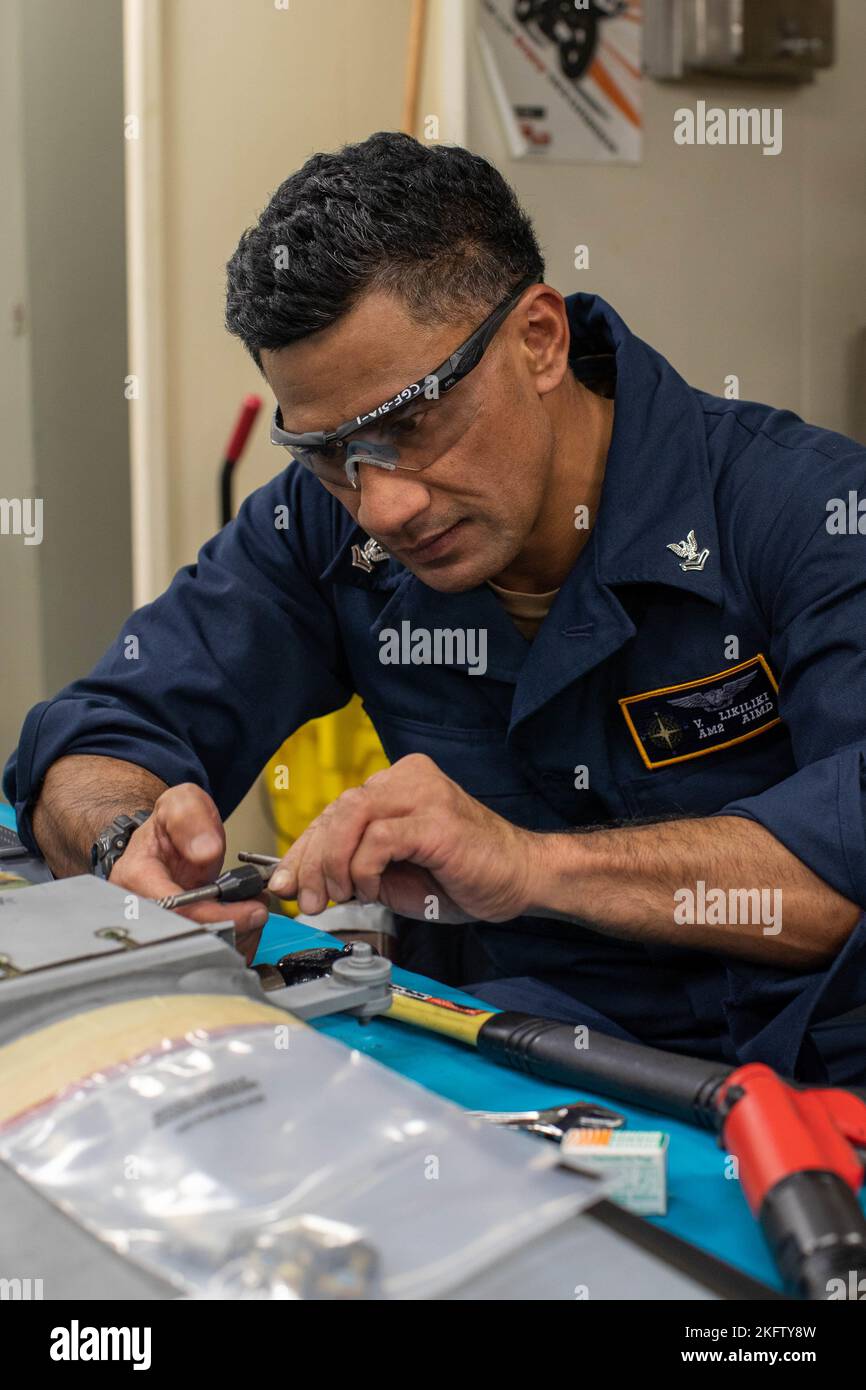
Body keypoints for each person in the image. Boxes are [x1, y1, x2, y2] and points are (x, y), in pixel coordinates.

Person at [7, 132, 866, 1082]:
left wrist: (529, 864)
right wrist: (128, 844)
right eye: (330, 454)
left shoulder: (810, 513)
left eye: (410, 426)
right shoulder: (318, 528)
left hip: (811, 1083)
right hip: (504, 1064)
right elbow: (97, 734)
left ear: (541, 341)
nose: (383, 506)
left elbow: (843, 872)